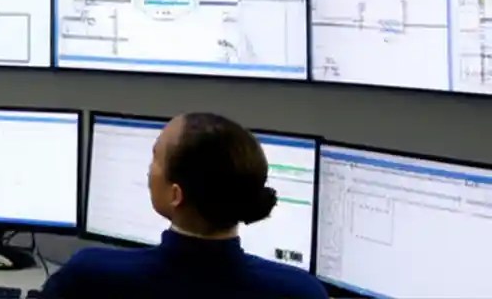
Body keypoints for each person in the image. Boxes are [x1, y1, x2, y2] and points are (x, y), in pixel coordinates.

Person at [40, 113, 327, 299]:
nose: (150, 168)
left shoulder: (88, 276)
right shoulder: (301, 292)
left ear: (176, 195)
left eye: (155, 157)